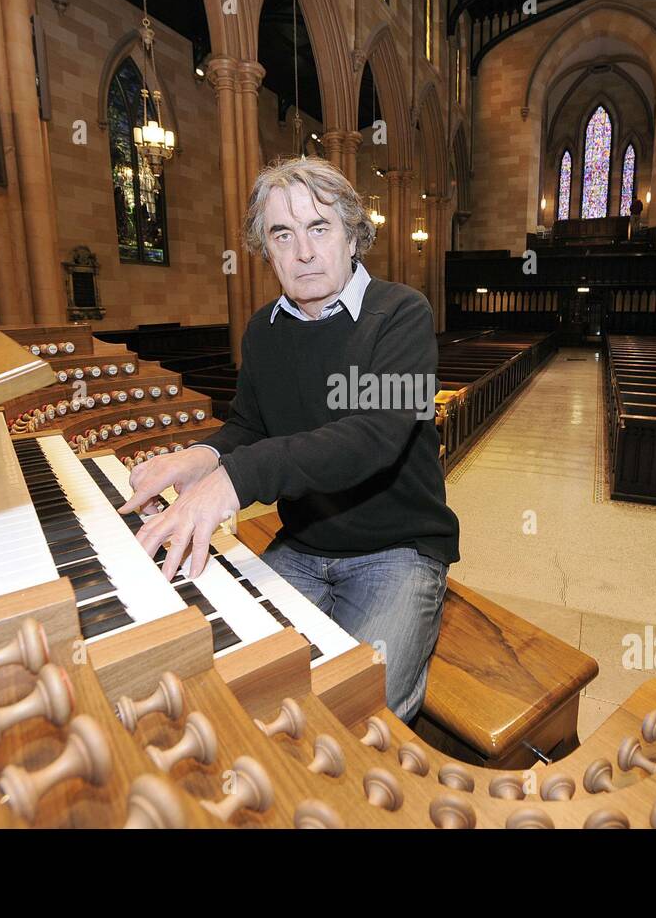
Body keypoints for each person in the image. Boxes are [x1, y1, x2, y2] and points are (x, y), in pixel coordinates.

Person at [119, 155, 460, 723]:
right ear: (267, 251)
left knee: (356, 719)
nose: (304, 251)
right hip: (301, 546)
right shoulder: (264, 330)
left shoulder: (400, 313)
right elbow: (250, 425)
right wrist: (199, 457)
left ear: (352, 235)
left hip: (397, 551)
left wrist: (234, 480)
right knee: (230, 685)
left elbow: (371, 437)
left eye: (320, 228)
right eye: (283, 234)